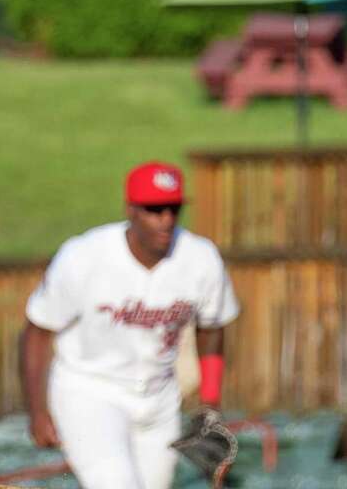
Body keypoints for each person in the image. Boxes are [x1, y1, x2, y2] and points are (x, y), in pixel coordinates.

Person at [19, 161, 239, 489]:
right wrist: (37, 411)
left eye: (173, 208)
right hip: (90, 393)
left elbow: (212, 326)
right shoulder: (84, 256)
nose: (165, 219)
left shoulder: (200, 258)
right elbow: (36, 332)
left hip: (160, 400)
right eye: (154, 209)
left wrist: (210, 403)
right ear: (131, 210)